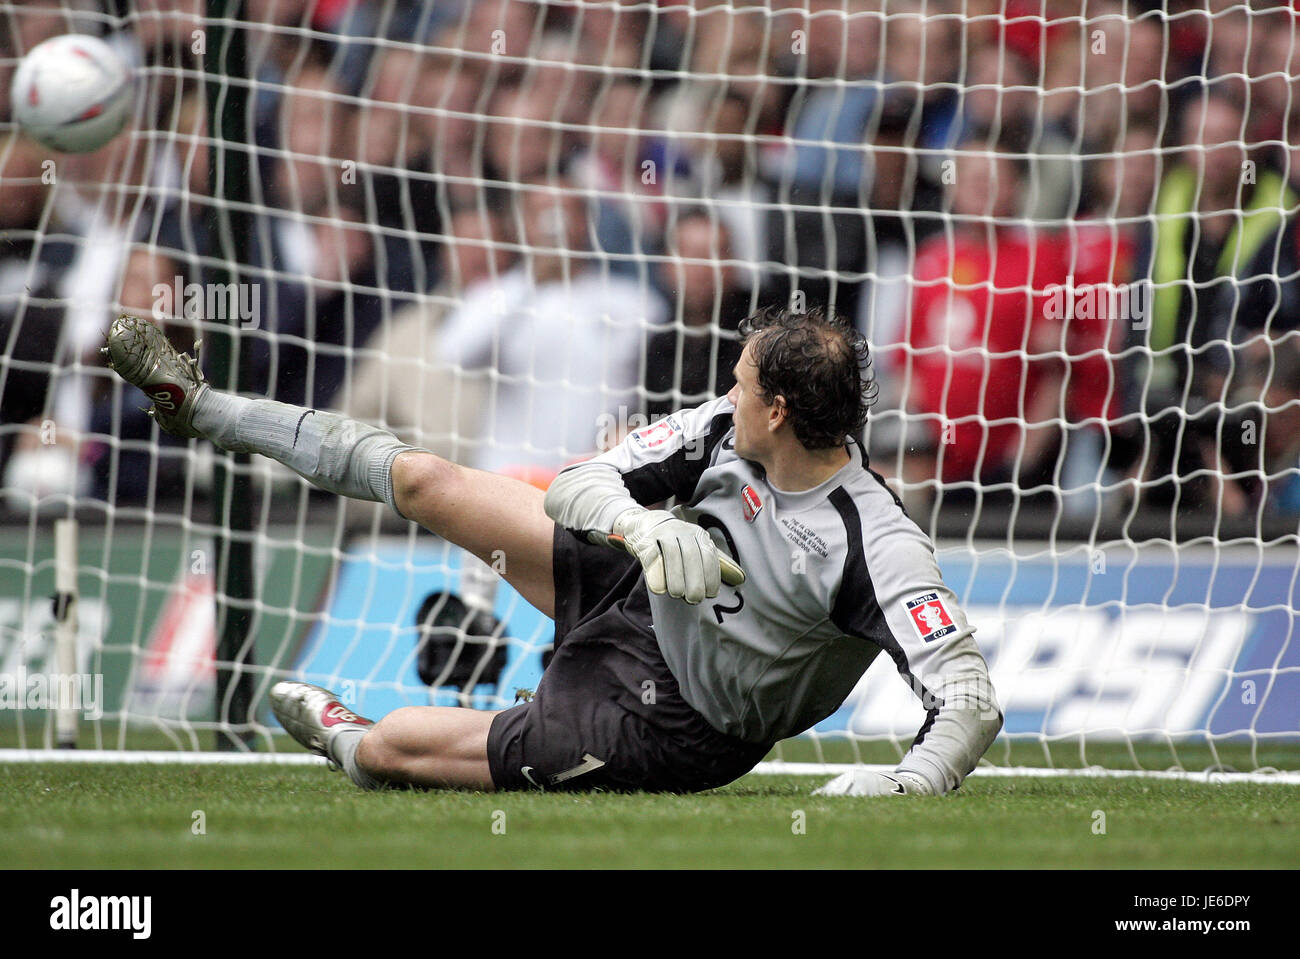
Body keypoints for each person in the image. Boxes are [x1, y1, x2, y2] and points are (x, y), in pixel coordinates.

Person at [102, 305, 1002, 796]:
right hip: (640, 588)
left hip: (675, 726)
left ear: (781, 412)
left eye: (742, 379)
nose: (726, 389)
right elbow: (580, 481)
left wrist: (909, 784)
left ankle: (344, 739)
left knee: (395, 750)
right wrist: (641, 527)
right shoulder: (724, 429)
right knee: (425, 482)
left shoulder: (874, 541)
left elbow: (967, 698)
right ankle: (201, 407)